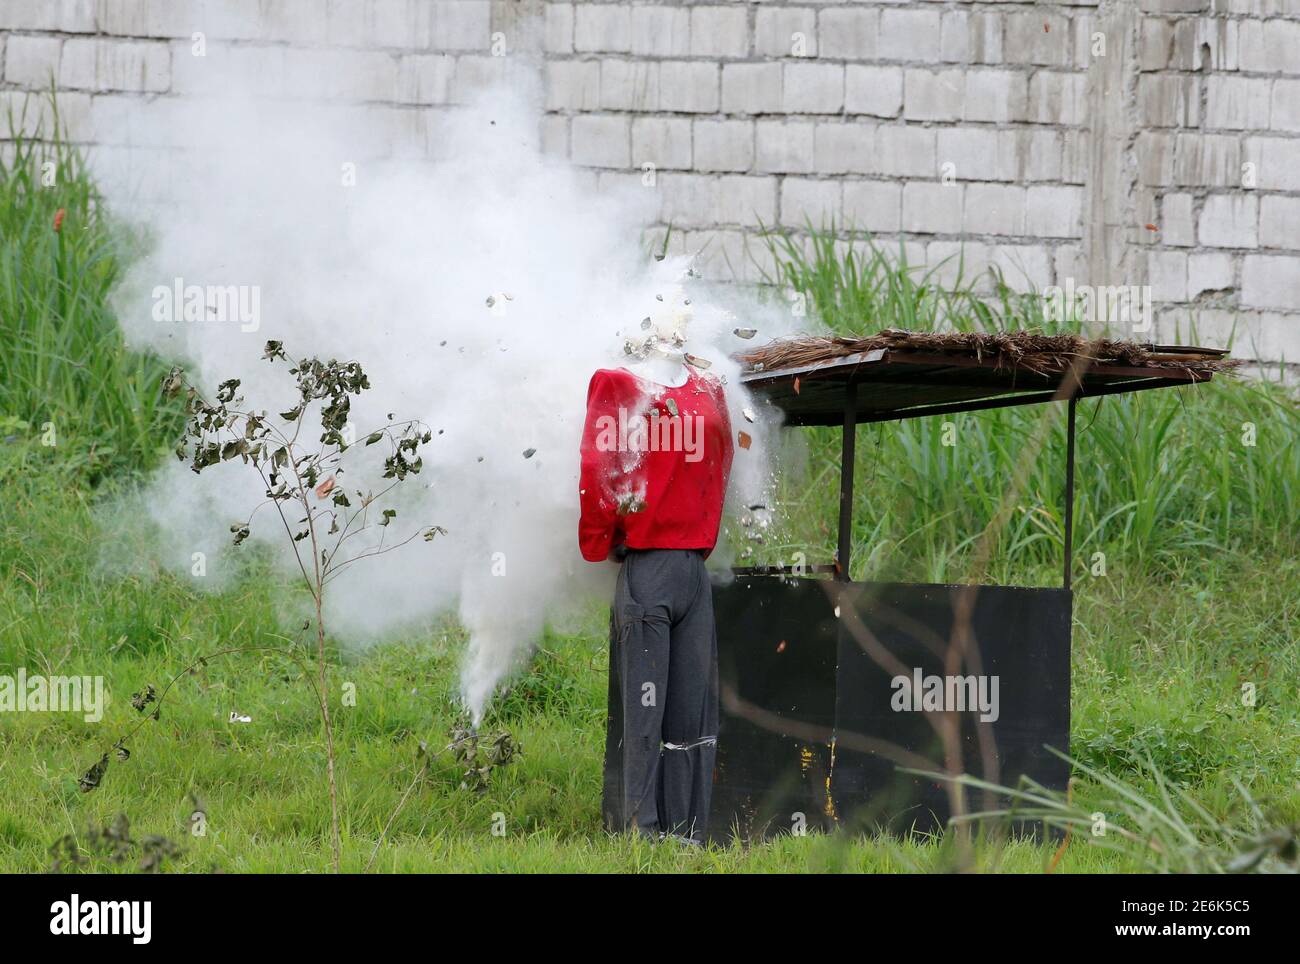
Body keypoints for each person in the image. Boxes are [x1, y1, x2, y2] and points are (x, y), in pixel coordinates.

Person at [577, 293, 734, 844]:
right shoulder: (618, 384)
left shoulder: (710, 386)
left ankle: (686, 832)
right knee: (645, 712)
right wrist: (601, 543)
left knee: (691, 713)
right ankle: (639, 835)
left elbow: (722, 469)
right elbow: (599, 469)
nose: (681, 325)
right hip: (649, 565)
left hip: (692, 568)